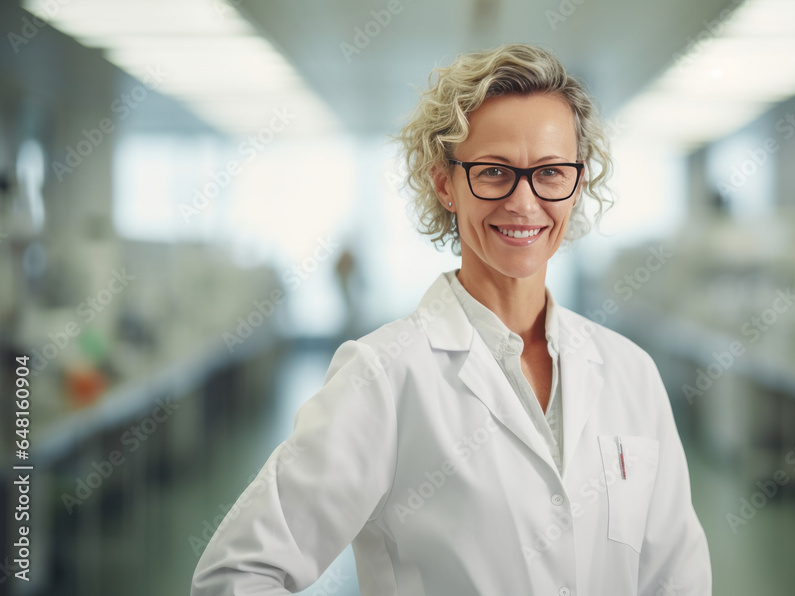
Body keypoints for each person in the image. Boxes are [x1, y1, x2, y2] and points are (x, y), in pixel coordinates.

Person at [191, 42, 711, 596]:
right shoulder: (384, 376)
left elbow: (677, 579)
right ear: (445, 184)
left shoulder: (631, 373)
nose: (524, 203)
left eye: (551, 172)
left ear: (577, 184)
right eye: (494, 172)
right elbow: (237, 574)